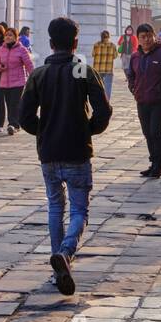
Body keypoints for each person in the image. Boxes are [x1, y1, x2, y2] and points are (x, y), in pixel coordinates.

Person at [19, 17, 112, 296]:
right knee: (80, 210)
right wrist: (87, 130)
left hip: (49, 152)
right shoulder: (82, 70)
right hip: (77, 150)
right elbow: (103, 110)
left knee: (55, 208)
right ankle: (66, 252)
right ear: (75, 42)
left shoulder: (39, 74)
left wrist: (43, 133)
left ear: (50, 43)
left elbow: (24, 117)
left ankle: (57, 265)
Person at [126, 23, 161, 177]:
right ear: (138, 39)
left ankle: (159, 165)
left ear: (154, 36)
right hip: (141, 100)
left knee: (155, 131)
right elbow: (131, 75)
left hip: (158, 100)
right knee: (147, 132)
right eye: (143, 37)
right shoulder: (135, 56)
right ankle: (153, 162)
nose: (146, 39)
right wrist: (133, 88)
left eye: (149, 36)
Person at [0, 27, 34, 134]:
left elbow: (29, 64)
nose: (8, 37)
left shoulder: (22, 49)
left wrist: (34, 77)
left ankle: (13, 124)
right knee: (8, 103)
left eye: (10, 35)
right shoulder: (0, 49)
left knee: (14, 103)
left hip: (18, 81)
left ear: (16, 38)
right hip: (5, 82)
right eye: (6, 35)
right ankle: (15, 123)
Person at [92, 30, 118, 101]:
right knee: (108, 87)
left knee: (99, 86)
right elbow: (115, 56)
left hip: (98, 69)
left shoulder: (96, 45)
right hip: (108, 70)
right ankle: (106, 102)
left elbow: (93, 54)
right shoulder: (112, 46)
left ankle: (99, 100)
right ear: (109, 36)